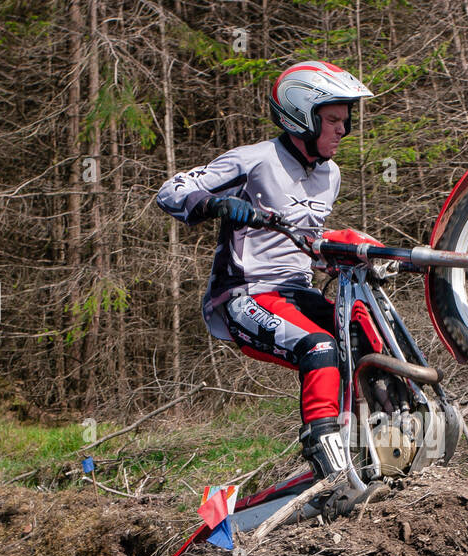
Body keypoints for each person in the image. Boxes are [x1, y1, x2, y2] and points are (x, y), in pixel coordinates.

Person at [155, 61, 374, 482]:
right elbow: (172, 190)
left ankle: (374, 452)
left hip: (298, 294)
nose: (343, 130)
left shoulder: (331, 175)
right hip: (246, 297)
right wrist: (215, 204)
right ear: (301, 117)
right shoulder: (254, 160)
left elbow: (304, 243)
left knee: (365, 342)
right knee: (320, 348)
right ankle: (331, 472)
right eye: (332, 120)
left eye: (346, 120)